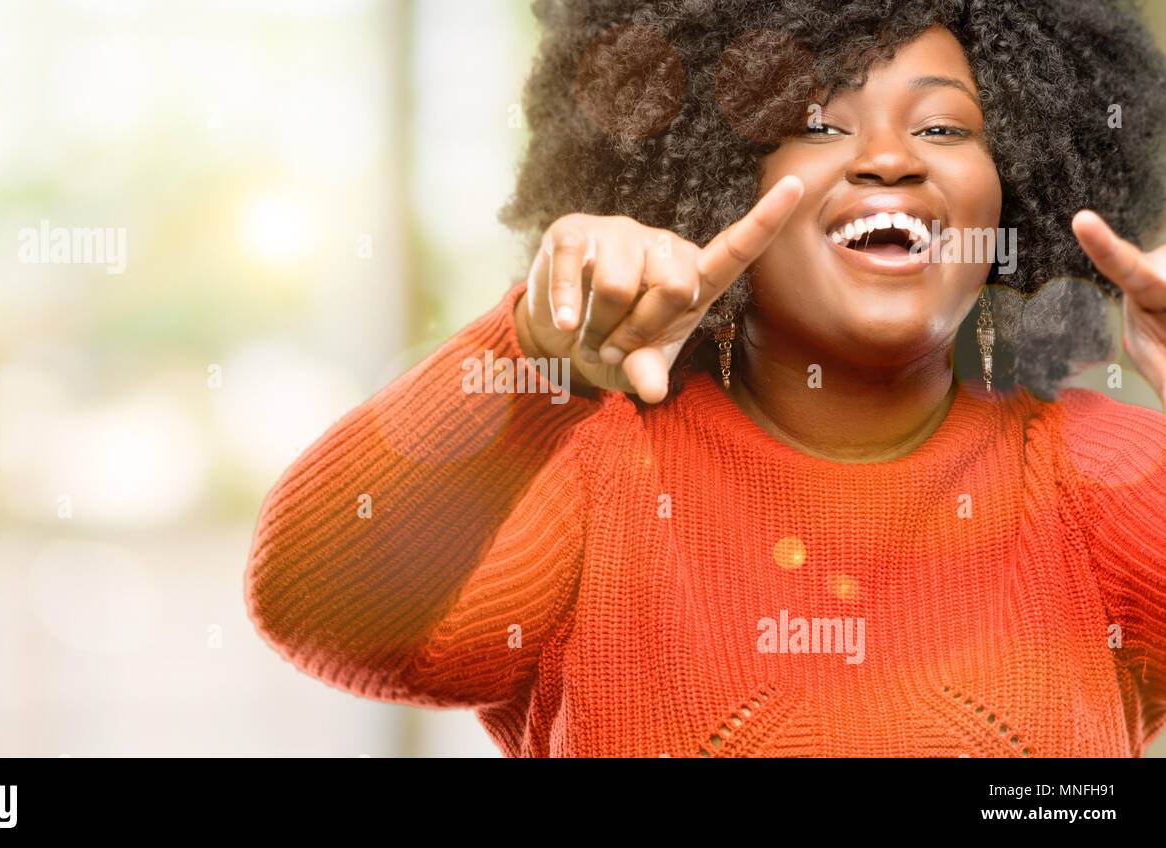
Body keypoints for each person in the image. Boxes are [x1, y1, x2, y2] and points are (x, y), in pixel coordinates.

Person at [245, 0, 1166, 757]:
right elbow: (318, 605)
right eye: (816, 123)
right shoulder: (592, 476)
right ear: (714, 176)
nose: (891, 157)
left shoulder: (1102, 477)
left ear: (1013, 184)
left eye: (942, 125)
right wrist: (531, 350)